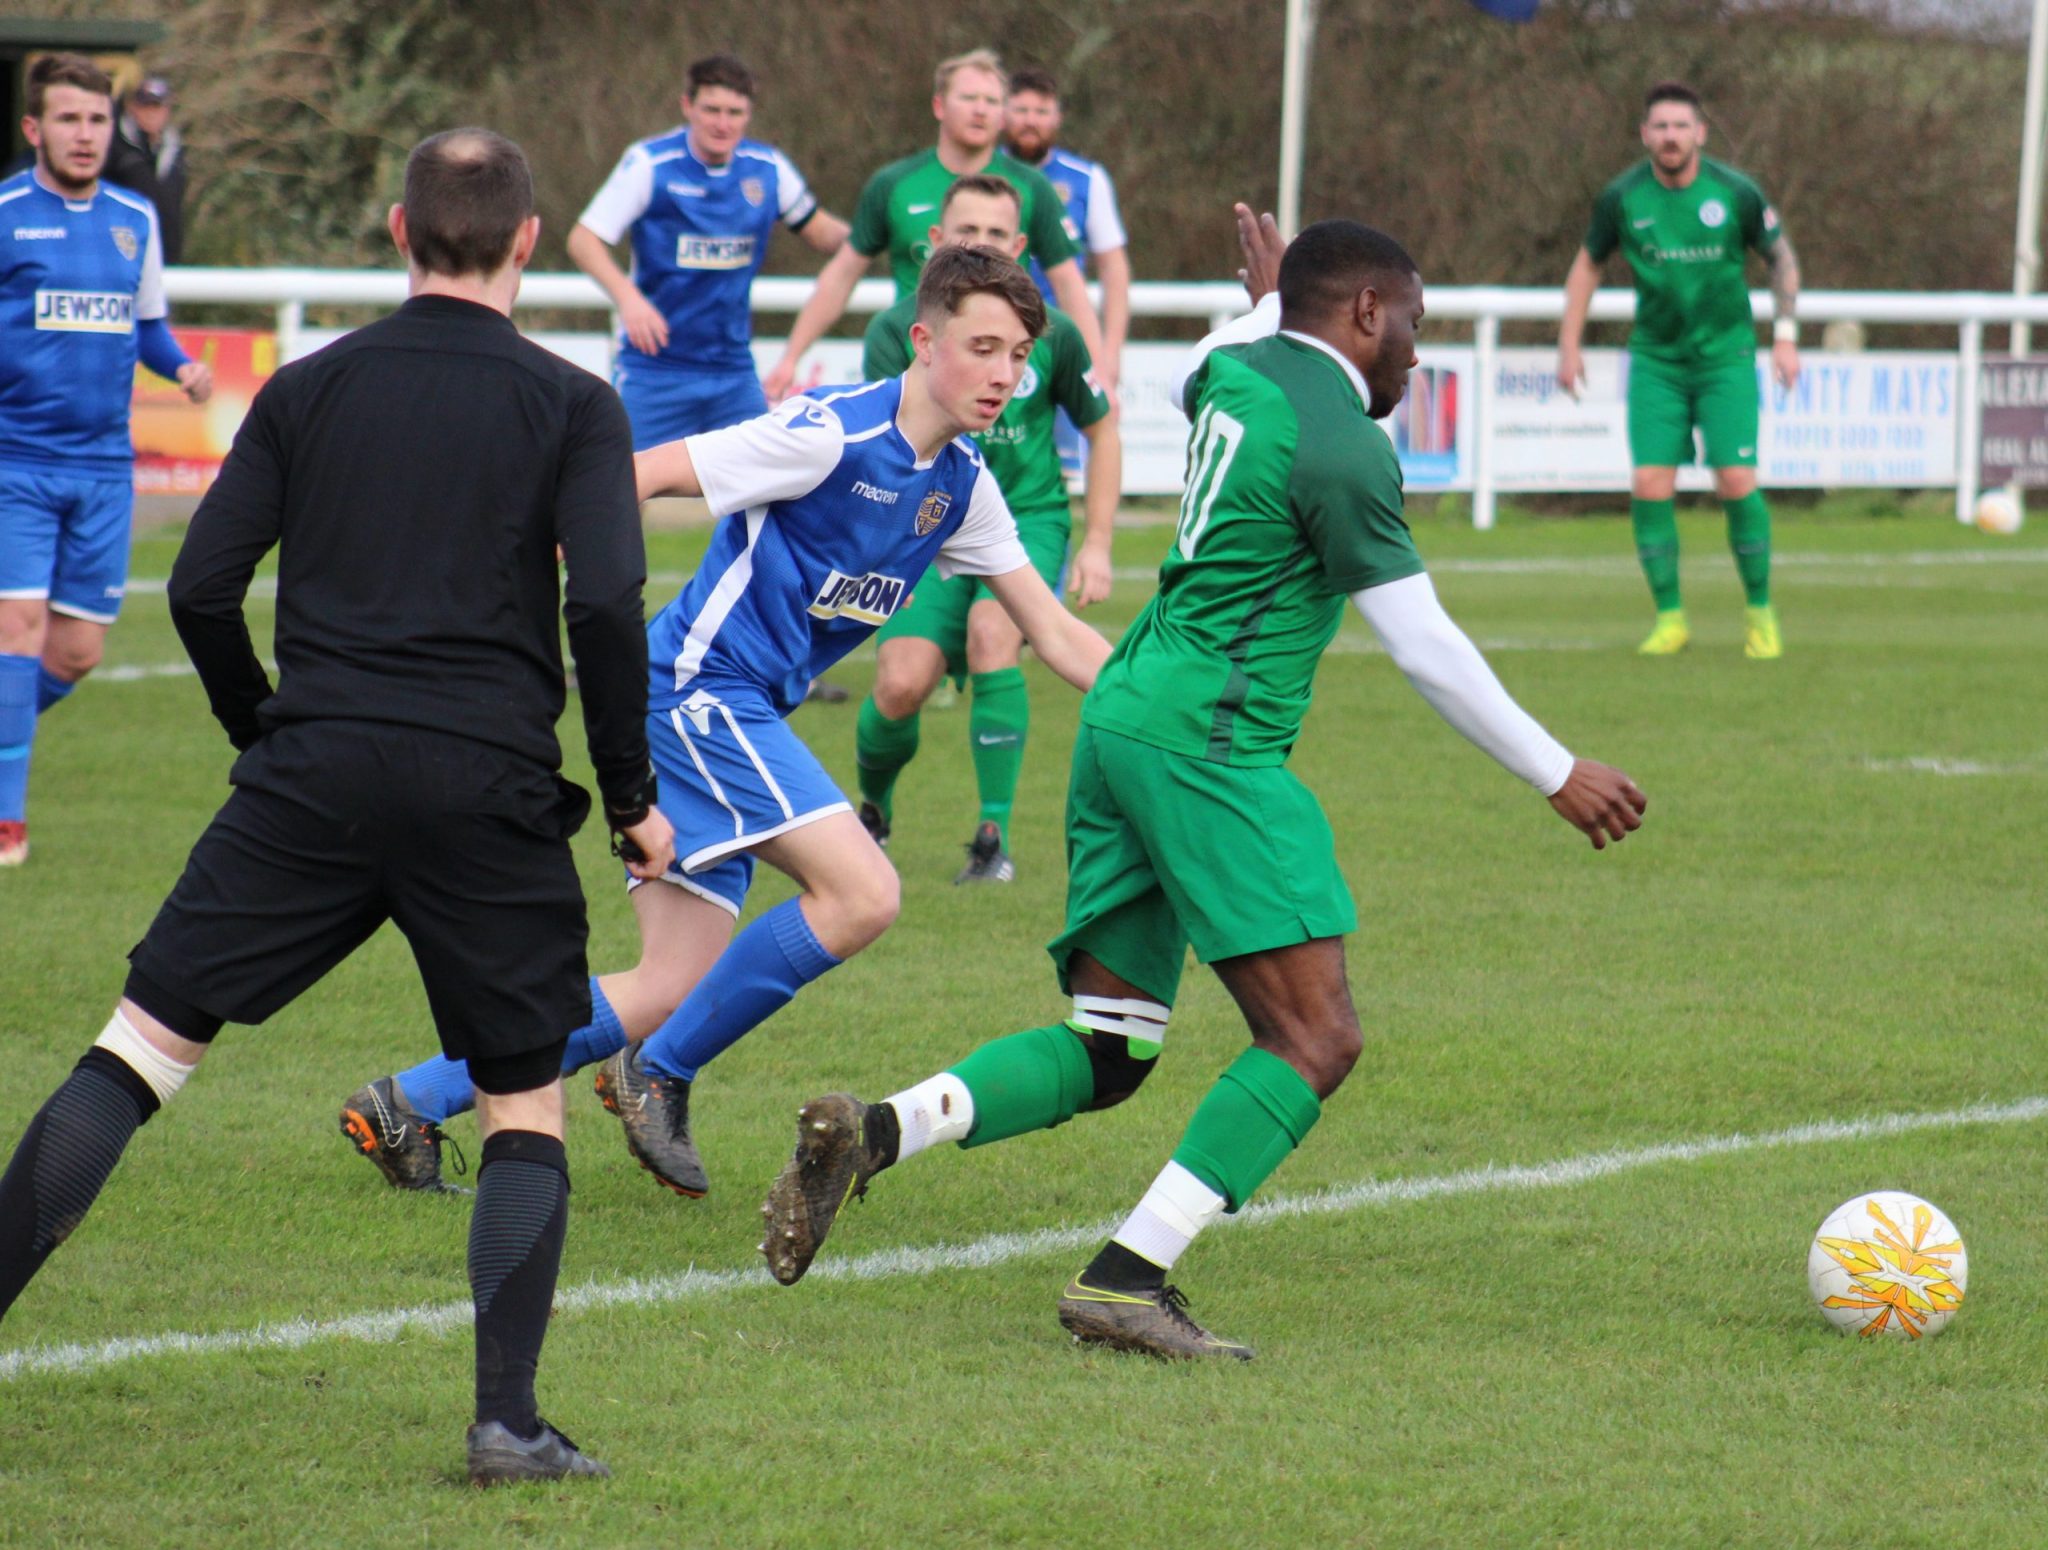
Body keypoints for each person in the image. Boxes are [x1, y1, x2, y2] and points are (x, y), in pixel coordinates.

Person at [758, 207, 1649, 1361]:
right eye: (1411, 325)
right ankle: (1126, 1278)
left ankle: (880, 1129)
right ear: (1365, 313)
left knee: (1112, 1044)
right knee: (1315, 1035)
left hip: (1123, 710)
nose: (1417, 353)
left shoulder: (1230, 362)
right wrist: (1554, 768)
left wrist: (1271, 302)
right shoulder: (1341, 441)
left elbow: (1217, 350)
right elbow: (1421, 641)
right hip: (1208, 744)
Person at [0, 127, 676, 1486]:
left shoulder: (310, 388)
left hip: (312, 771)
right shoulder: (574, 403)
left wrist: (267, 729)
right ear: (532, 242)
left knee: (136, 1052)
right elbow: (604, 604)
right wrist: (631, 797)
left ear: (394, 230)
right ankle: (506, 1422)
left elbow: (199, 590)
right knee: (521, 1101)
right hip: (485, 780)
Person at [340, 245, 1112, 1202]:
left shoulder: (960, 486)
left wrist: (1160, 698)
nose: (1004, 374)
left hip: (728, 708)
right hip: (696, 690)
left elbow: (1055, 631)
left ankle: (403, 1101)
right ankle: (656, 1075)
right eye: (982, 346)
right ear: (923, 340)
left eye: (1019, 354)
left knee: (666, 986)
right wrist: (499, 568)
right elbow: (643, 472)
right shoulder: (827, 435)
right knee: (865, 892)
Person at [854, 174, 1120, 881]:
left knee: (994, 632)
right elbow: (883, 447)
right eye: (968, 230)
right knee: (902, 683)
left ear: (1022, 246)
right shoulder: (895, 331)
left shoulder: (1053, 334)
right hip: (924, 527)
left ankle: (991, 838)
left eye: (999, 233)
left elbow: (1103, 428)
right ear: (936, 241)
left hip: (1027, 518)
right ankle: (872, 813)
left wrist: (1096, 541)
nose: (983, 243)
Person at [0, 54, 212, 868]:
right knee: (15, 630)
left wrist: (184, 365)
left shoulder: (134, 217)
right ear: (35, 129)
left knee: (75, 652)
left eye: (95, 120)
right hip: (17, 461)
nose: (83, 135)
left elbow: (147, 325)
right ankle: (9, 825)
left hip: (102, 470)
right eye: (67, 119)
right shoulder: (9, 214)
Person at [1556, 81, 1800, 659]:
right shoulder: (1622, 197)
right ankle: (1670, 618)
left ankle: (1760, 612)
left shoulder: (1735, 192)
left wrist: (1785, 337)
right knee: (1648, 483)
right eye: (1660, 127)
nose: (1670, 136)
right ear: (1645, 135)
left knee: (1736, 480)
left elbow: (1781, 258)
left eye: (1680, 126)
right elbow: (1586, 266)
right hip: (1657, 361)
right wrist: (1569, 344)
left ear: (1700, 133)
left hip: (1726, 358)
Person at [761, 49, 1106, 403]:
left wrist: (1101, 372)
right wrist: (791, 358)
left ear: (1003, 115)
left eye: (991, 101)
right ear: (939, 106)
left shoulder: (1033, 188)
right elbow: (842, 276)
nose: (980, 109)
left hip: (1002, 381)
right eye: (969, 98)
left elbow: (1069, 284)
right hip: (916, 369)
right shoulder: (894, 184)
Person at [566, 53, 848, 448]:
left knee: (761, 490)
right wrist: (629, 300)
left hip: (732, 369)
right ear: (687, 106)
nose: (722, 123)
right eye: (711, 109)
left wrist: (873, 228)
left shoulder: (767, 169)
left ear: (749, 114)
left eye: (735, 112)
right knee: (625, 489)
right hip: (655, 366)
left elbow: (823, 234)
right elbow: (583, 239)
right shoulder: (651, 164)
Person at [1003, 64, 1129, 478]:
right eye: (1020, 110)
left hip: (1059, 343)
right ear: (1005, 114)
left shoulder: (1086, 180)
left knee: (1060, 475)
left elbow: (1113, 269)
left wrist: (1107, 356)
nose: (1030, 121)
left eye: (1041, 111)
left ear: (1057, 118)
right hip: (996, 337)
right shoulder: (982, 176)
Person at [107, 74, 188, 264]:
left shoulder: (175, 152)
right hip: (123, 255)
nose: (151, 113)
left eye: (157, 106)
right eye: (146, 105)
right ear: (133, 107)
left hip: (166, 256)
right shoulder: (116, 150)